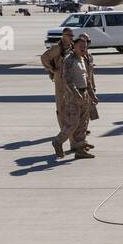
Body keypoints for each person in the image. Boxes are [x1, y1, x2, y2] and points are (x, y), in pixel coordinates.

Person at [57, 34, 97, 159]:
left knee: (83, 123)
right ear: (74, 46)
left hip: (84, 94)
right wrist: (77, 95)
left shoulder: (83, 58)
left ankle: (80, 149)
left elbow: (87, 79)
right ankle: (58, 142)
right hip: (73, 96)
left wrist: (92, 94)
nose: (84, 48)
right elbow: (67, 80)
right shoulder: (69, 59)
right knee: (73, 123)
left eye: (85, 46)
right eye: (81, 46)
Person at [42, 28, 75, 156]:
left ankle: (74, 141)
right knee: (62, 109)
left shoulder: (71, 47)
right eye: (69, 35)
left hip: (71, 80)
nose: (71, 37)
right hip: (60, 81)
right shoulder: (57, 48)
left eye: (72, 35)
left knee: (73, 110)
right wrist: (52, 70)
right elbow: (45, 58)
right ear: (63, 36)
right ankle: (63, 136)